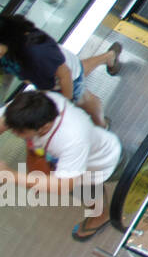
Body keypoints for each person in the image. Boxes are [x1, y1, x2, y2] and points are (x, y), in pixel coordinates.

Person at [0, 90, 123, 241]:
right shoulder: (38, 103)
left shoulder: (71, 139)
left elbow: (64, 185)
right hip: (90, 151)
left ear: (43, 127)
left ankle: (101, 216)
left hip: (102, 162)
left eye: (18, 131)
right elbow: (4, 121)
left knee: (88, 189)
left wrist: (9, 174)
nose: (12, 132)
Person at [0, 16, 123, 129]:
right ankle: (109, 57)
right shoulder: (10, 49)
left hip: (62, 78)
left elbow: (65, 74)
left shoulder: (37, 53)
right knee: (78, 71)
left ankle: (102, 125)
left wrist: (66, 104)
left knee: (84, 98)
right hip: (54, 73)